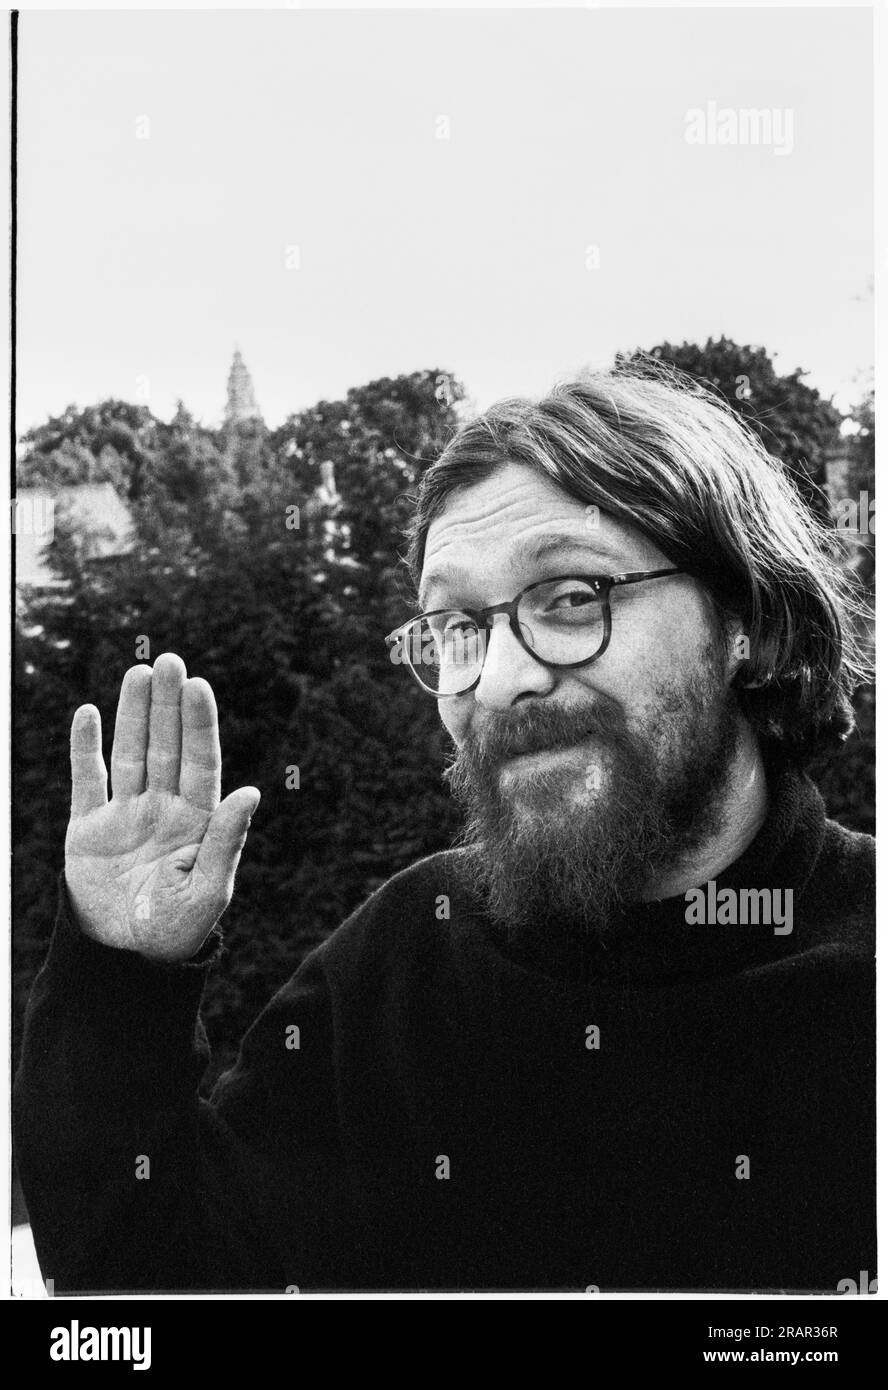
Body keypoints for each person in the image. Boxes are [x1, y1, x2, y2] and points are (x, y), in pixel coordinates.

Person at [14, 365, 875, 1293]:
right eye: (458, 625)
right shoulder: (403, 961)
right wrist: (118, 977)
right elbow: (152, 1279)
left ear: (755, 630)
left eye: (572, 598)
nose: (500, 681)